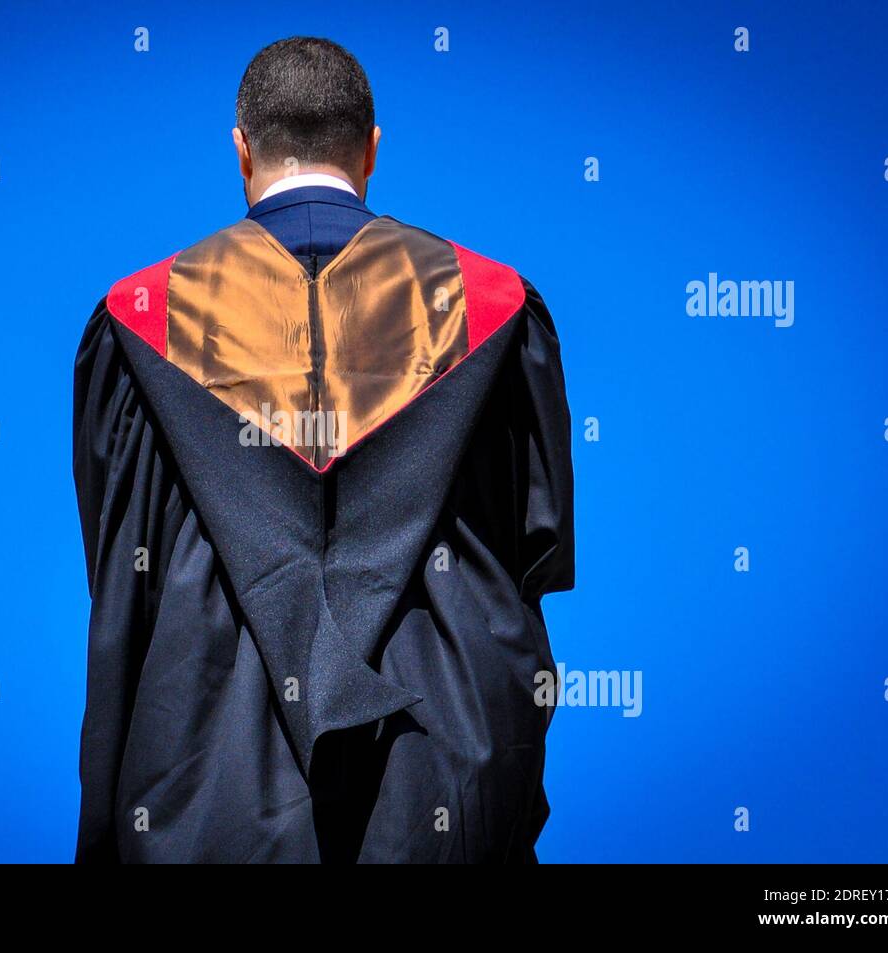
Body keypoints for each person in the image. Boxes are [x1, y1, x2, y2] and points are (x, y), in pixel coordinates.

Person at [72, 36, 574, 863]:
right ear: (372, 148)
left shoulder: (136, 323)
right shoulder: (496, 309)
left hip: (202, 781)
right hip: (441, 774)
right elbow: (535, 550)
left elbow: (120, 561)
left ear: (242, 150)